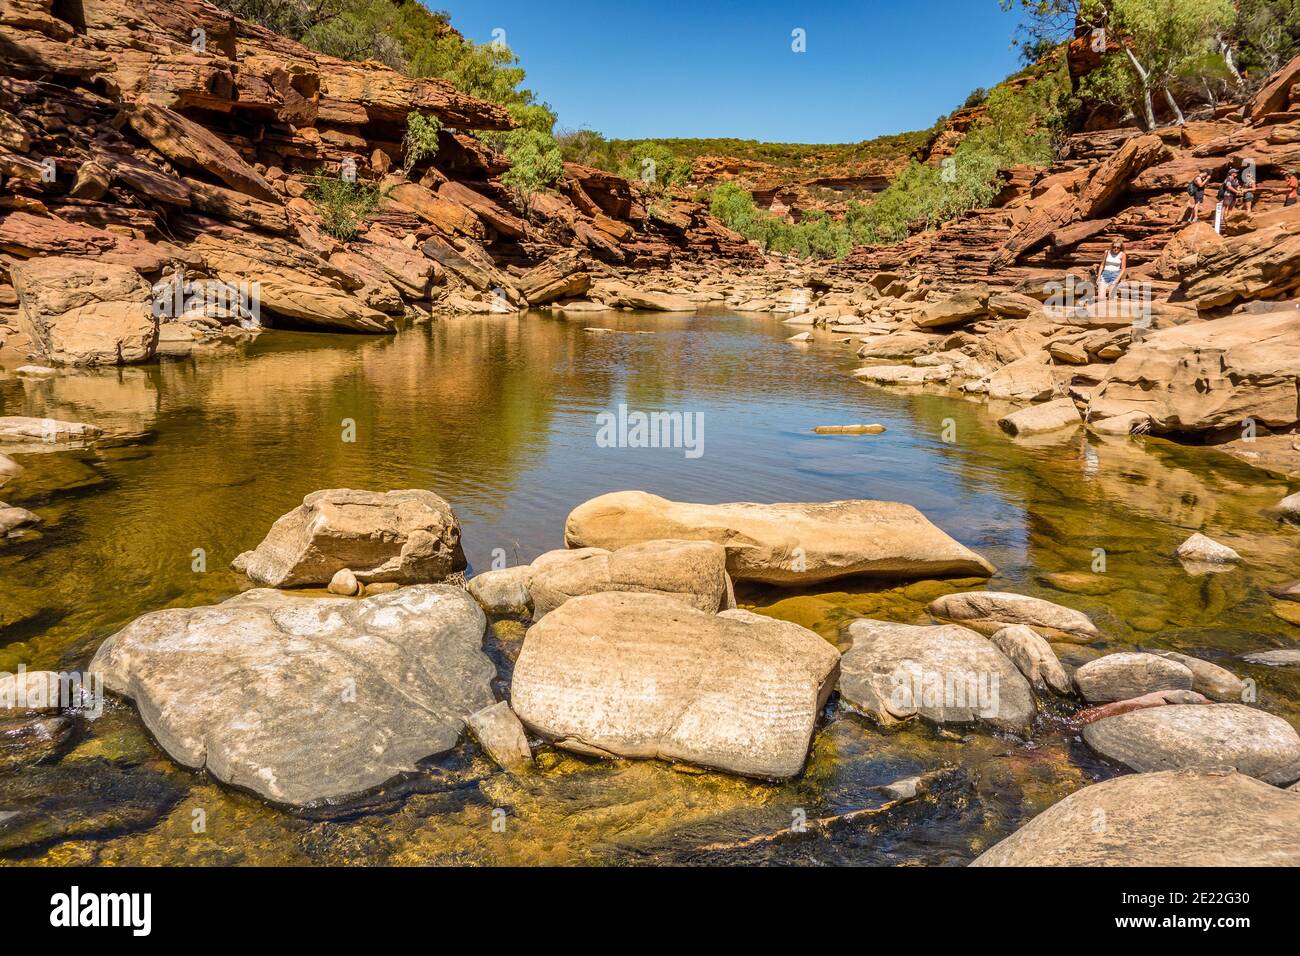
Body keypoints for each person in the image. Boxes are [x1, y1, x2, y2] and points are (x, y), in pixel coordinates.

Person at [1096, 238, 1127, 304]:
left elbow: (1123, 268)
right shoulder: (1107, 252)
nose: (1116, 249)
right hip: (1104, 275)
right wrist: (1099, 276)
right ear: (1112, 246)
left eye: (1118, 247)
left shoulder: (1122, 254)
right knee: (1101, 298)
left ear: (1121, 248)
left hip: (1115, 276)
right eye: (1114, 247)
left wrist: (1117, 279)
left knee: (1111, 298)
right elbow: (1102, 265)